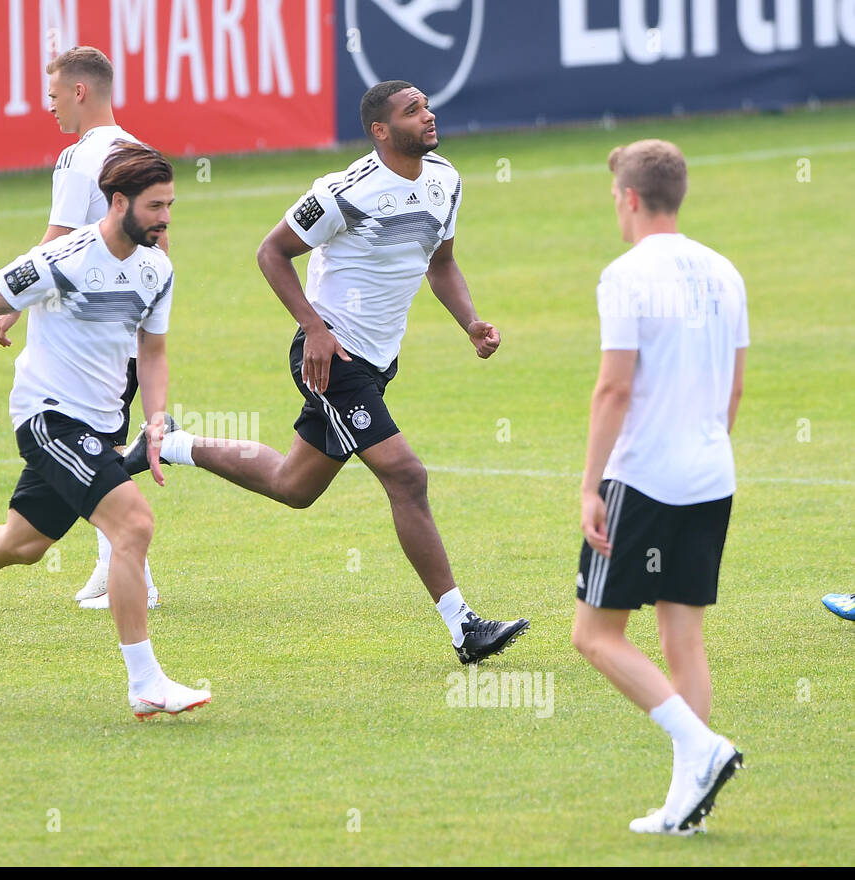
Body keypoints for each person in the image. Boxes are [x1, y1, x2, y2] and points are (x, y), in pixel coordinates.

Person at [124, 80, 529, 663]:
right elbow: (271, 251)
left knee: (294, 486)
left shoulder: (445, 180)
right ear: (381, 131)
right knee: (407, 476)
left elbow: (441, 262)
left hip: (378, 361)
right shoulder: (345, 192)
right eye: (412, 110)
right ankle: (463, 626)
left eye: (426, 104)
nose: (428, 114)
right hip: (332, 358)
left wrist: (469, 321)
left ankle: (167, 444)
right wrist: (314, 327)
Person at [0, 142, 209, 720]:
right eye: (155, 206)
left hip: (98, 425)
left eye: (170, 204)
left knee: (21, 545)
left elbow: (152, 352)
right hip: (48, 418)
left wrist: (154, 419)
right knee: (133, 523)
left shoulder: (158, 269)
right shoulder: (63, 257)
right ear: (119, 201)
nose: (166, 218)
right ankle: (145, 683)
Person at [570, 139, 747, 836]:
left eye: (615, 198)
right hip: (711, 475)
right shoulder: (726, 271)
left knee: (594, 635)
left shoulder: (625, 275)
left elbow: (614, 386)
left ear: (632, 199)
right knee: (684, 640)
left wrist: (590, 486)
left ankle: (703, 749)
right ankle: (688, 807)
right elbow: (733, 390)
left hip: (643, 478)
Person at [0, 45, 164, 612]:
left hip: (83, 318)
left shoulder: (79, 156)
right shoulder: (141, 152)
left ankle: (129, 571)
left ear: (80, 91)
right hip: (129, 314)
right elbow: (158, 239)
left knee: (92, 438)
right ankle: (113, 565)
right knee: (103, 437)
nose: (51, 106)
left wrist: (10, 303)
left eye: (54, 94)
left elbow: (60, 234)